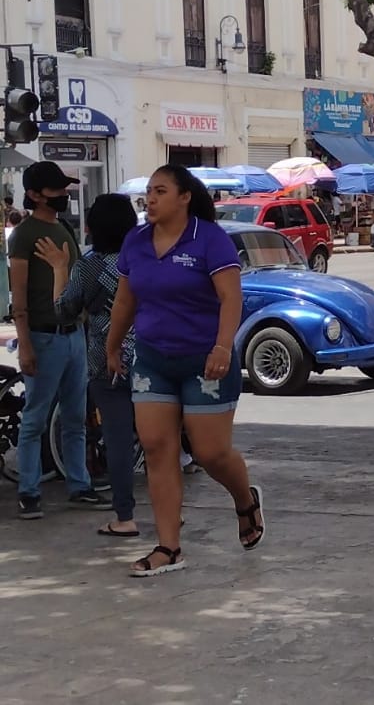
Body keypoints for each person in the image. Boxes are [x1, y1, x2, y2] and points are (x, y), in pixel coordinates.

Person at [107, 164, 264, 576]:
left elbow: (231, 299)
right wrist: (111, 345)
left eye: (160, 191)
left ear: (184, 197)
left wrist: (222, 346)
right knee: (158, 449)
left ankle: (245, 500)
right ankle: (168, 548)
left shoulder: (209, 240)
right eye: (148, 193)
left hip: (205, 360)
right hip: (153, 359)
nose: (150, 200)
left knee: (210, 453)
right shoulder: (136, 242)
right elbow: (125, 302)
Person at [9, 161, 111, 518]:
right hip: (43, 336)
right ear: (35, 194)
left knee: (75, 417)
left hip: (72, 336)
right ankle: (29, 491)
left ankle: (79, 485)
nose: (63, 194)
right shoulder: (24, 235)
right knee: (35, 418)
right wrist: (25, 343)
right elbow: (18, 296)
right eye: (55, 190)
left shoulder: (63, 228)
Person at [37, 193, 141, 536]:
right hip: (151, 359)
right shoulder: (145, 258)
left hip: (106, 363)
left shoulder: (90, 265)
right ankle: (171, 512)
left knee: (118, 439)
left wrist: (58, 269)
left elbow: (64, 310)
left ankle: (124, 518)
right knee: (161, 441)